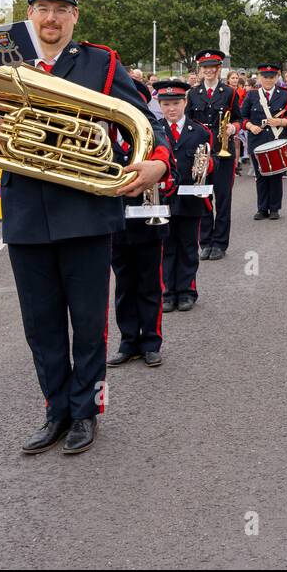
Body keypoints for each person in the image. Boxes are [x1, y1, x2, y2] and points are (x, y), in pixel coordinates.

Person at [0, 0, 171, 456]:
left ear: (74, 16)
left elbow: (144, 116)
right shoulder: (4, 58)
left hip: (86, 210)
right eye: (42, 9)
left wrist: (158, 160)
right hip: (24, 210)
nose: (51, 18)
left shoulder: (100, 63)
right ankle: (55, 410)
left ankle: (85, 412)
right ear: (30, 14)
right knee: (40, 324)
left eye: (61, 10)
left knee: (87, 322)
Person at [107, 80, 174, 368]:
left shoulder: (153, 134)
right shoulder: (101, 133)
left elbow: (174, 175)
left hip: (148, 221)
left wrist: (160, 180)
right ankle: (128, 341)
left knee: (149, 284)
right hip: (114, 221)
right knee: (123, 285)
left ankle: (151, 341)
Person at [150, 79, 213, 315]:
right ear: (159, 104)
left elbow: (211, 159)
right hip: (164, 200)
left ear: (185, 102)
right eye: (165, 104)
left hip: (190, 199)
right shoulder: (154, 130)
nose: (171, 109)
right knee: (165, 247)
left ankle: (187, 291)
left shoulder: (199, 131)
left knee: (187, 245)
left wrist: (207, 165)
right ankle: (167, 292)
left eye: (176, 103)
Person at [188, 50, 242, 260]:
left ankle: (220, 243)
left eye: (213, 68)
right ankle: (206, 242)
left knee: (223, 198)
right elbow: (189, 122)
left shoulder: (228, 92)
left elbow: (238, 118)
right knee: (202, 197)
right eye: (205, 68)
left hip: (223, 152)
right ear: (200, 70)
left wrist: (233, 128)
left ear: (219, 69)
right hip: (201, 153)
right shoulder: (193, 94)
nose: (209, 71)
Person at [240, 63, 287, 219]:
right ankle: (262, 208)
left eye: (272, 77)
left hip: (277, 140)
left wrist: (281, 122)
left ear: (277, 77)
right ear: (259, 77)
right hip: (257, 140)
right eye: (265, 77)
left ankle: (275, 208)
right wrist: (250, 126)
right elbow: (243, 117)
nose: (268, 80)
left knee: (276, 176)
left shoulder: (285, 94)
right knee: (261, 175)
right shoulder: (251, 95)